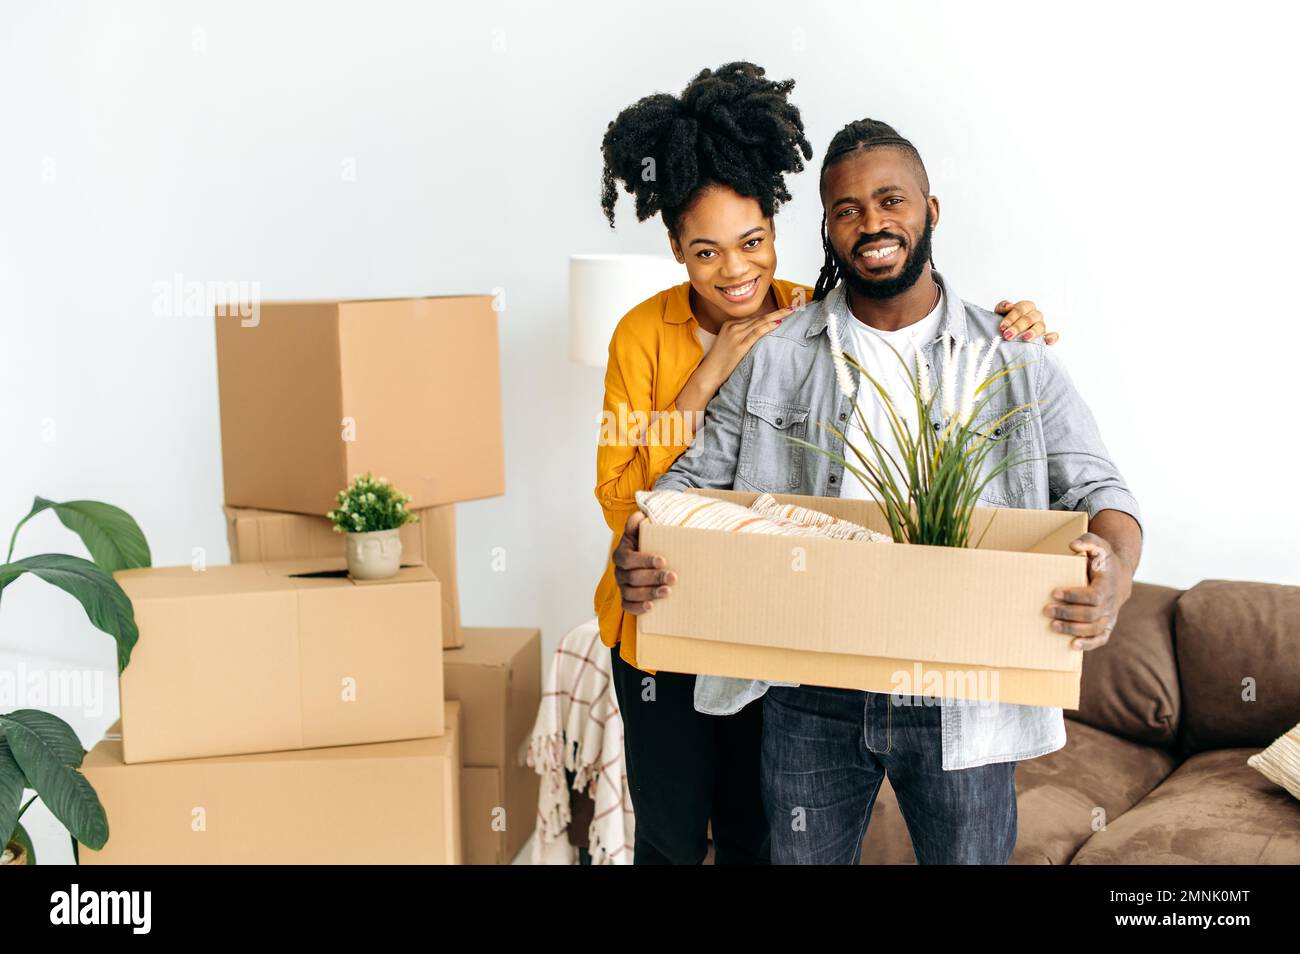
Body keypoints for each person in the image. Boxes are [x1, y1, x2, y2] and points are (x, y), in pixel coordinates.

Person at [612, 118, 1141, 865]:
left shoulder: (1011, 355)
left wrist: (1114, 569)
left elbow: (1101, 486)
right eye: (847, 210)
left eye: (891, 200)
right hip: (808, 687)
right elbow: (686, 487)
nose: (871, 223)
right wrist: (643, 545)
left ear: (930, 208)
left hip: (962, 686)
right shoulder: (775, 354)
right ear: (827, 229)